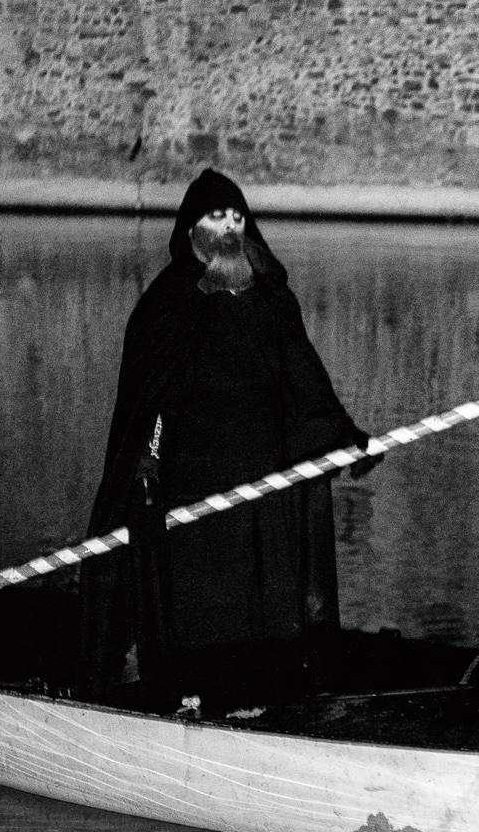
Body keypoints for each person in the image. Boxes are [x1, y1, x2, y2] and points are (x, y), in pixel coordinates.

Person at [78, 170, 380, 698]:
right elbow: (147, 408)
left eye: (238, 217)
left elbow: (303, 378)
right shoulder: (165, 304)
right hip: (193, 488)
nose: (229, 227)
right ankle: (190, 693)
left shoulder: (271, 299)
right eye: (217, 216)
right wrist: (146, 473)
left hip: (263, 487)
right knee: (201, 604)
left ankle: (268, 694)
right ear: (191, 227)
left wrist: (340, 435)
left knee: (265, 597)